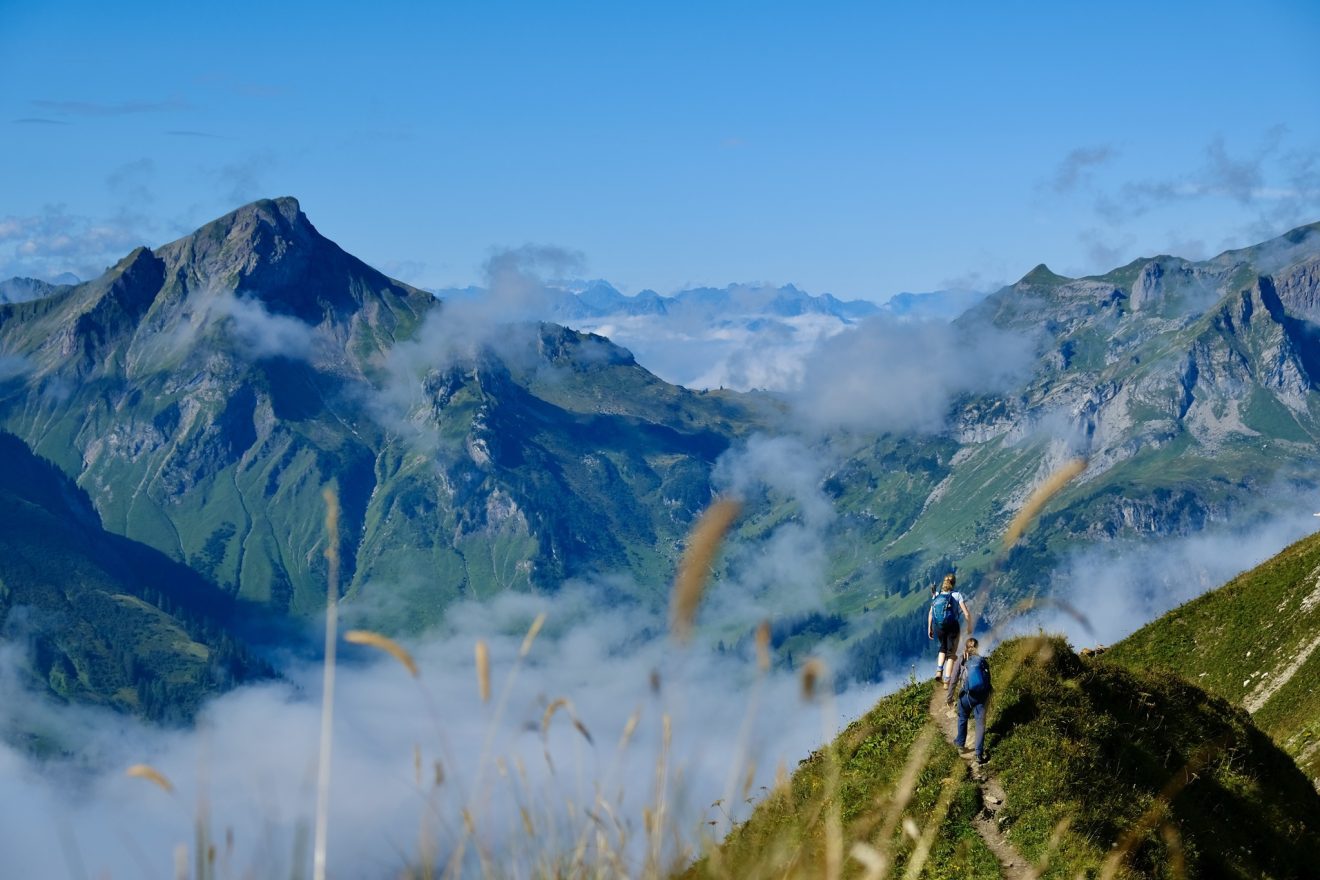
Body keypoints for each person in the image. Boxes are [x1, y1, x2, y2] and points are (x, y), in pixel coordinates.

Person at [945, 637, 991, 764]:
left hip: (966, 696)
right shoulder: (982, 660)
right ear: (977, 646)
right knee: (980, 723)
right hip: (981, 696)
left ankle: (960, 744)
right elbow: (988, 678)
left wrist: (949, 698)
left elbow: (953, 680)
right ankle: (978, 754)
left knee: (962, 716)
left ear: (966, 646)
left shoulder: (961, 660)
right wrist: (987, 694)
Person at [927, 574, 970, 683]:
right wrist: (969, 625)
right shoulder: (957, 595)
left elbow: (931, 613)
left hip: (939, 626)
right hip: (952, 626)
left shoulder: (936, 595)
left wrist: (930, 628)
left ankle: (938, 671)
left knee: (943, 647)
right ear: (954, 583)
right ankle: (947, 679)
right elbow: (966, 614)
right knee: (951, 653)